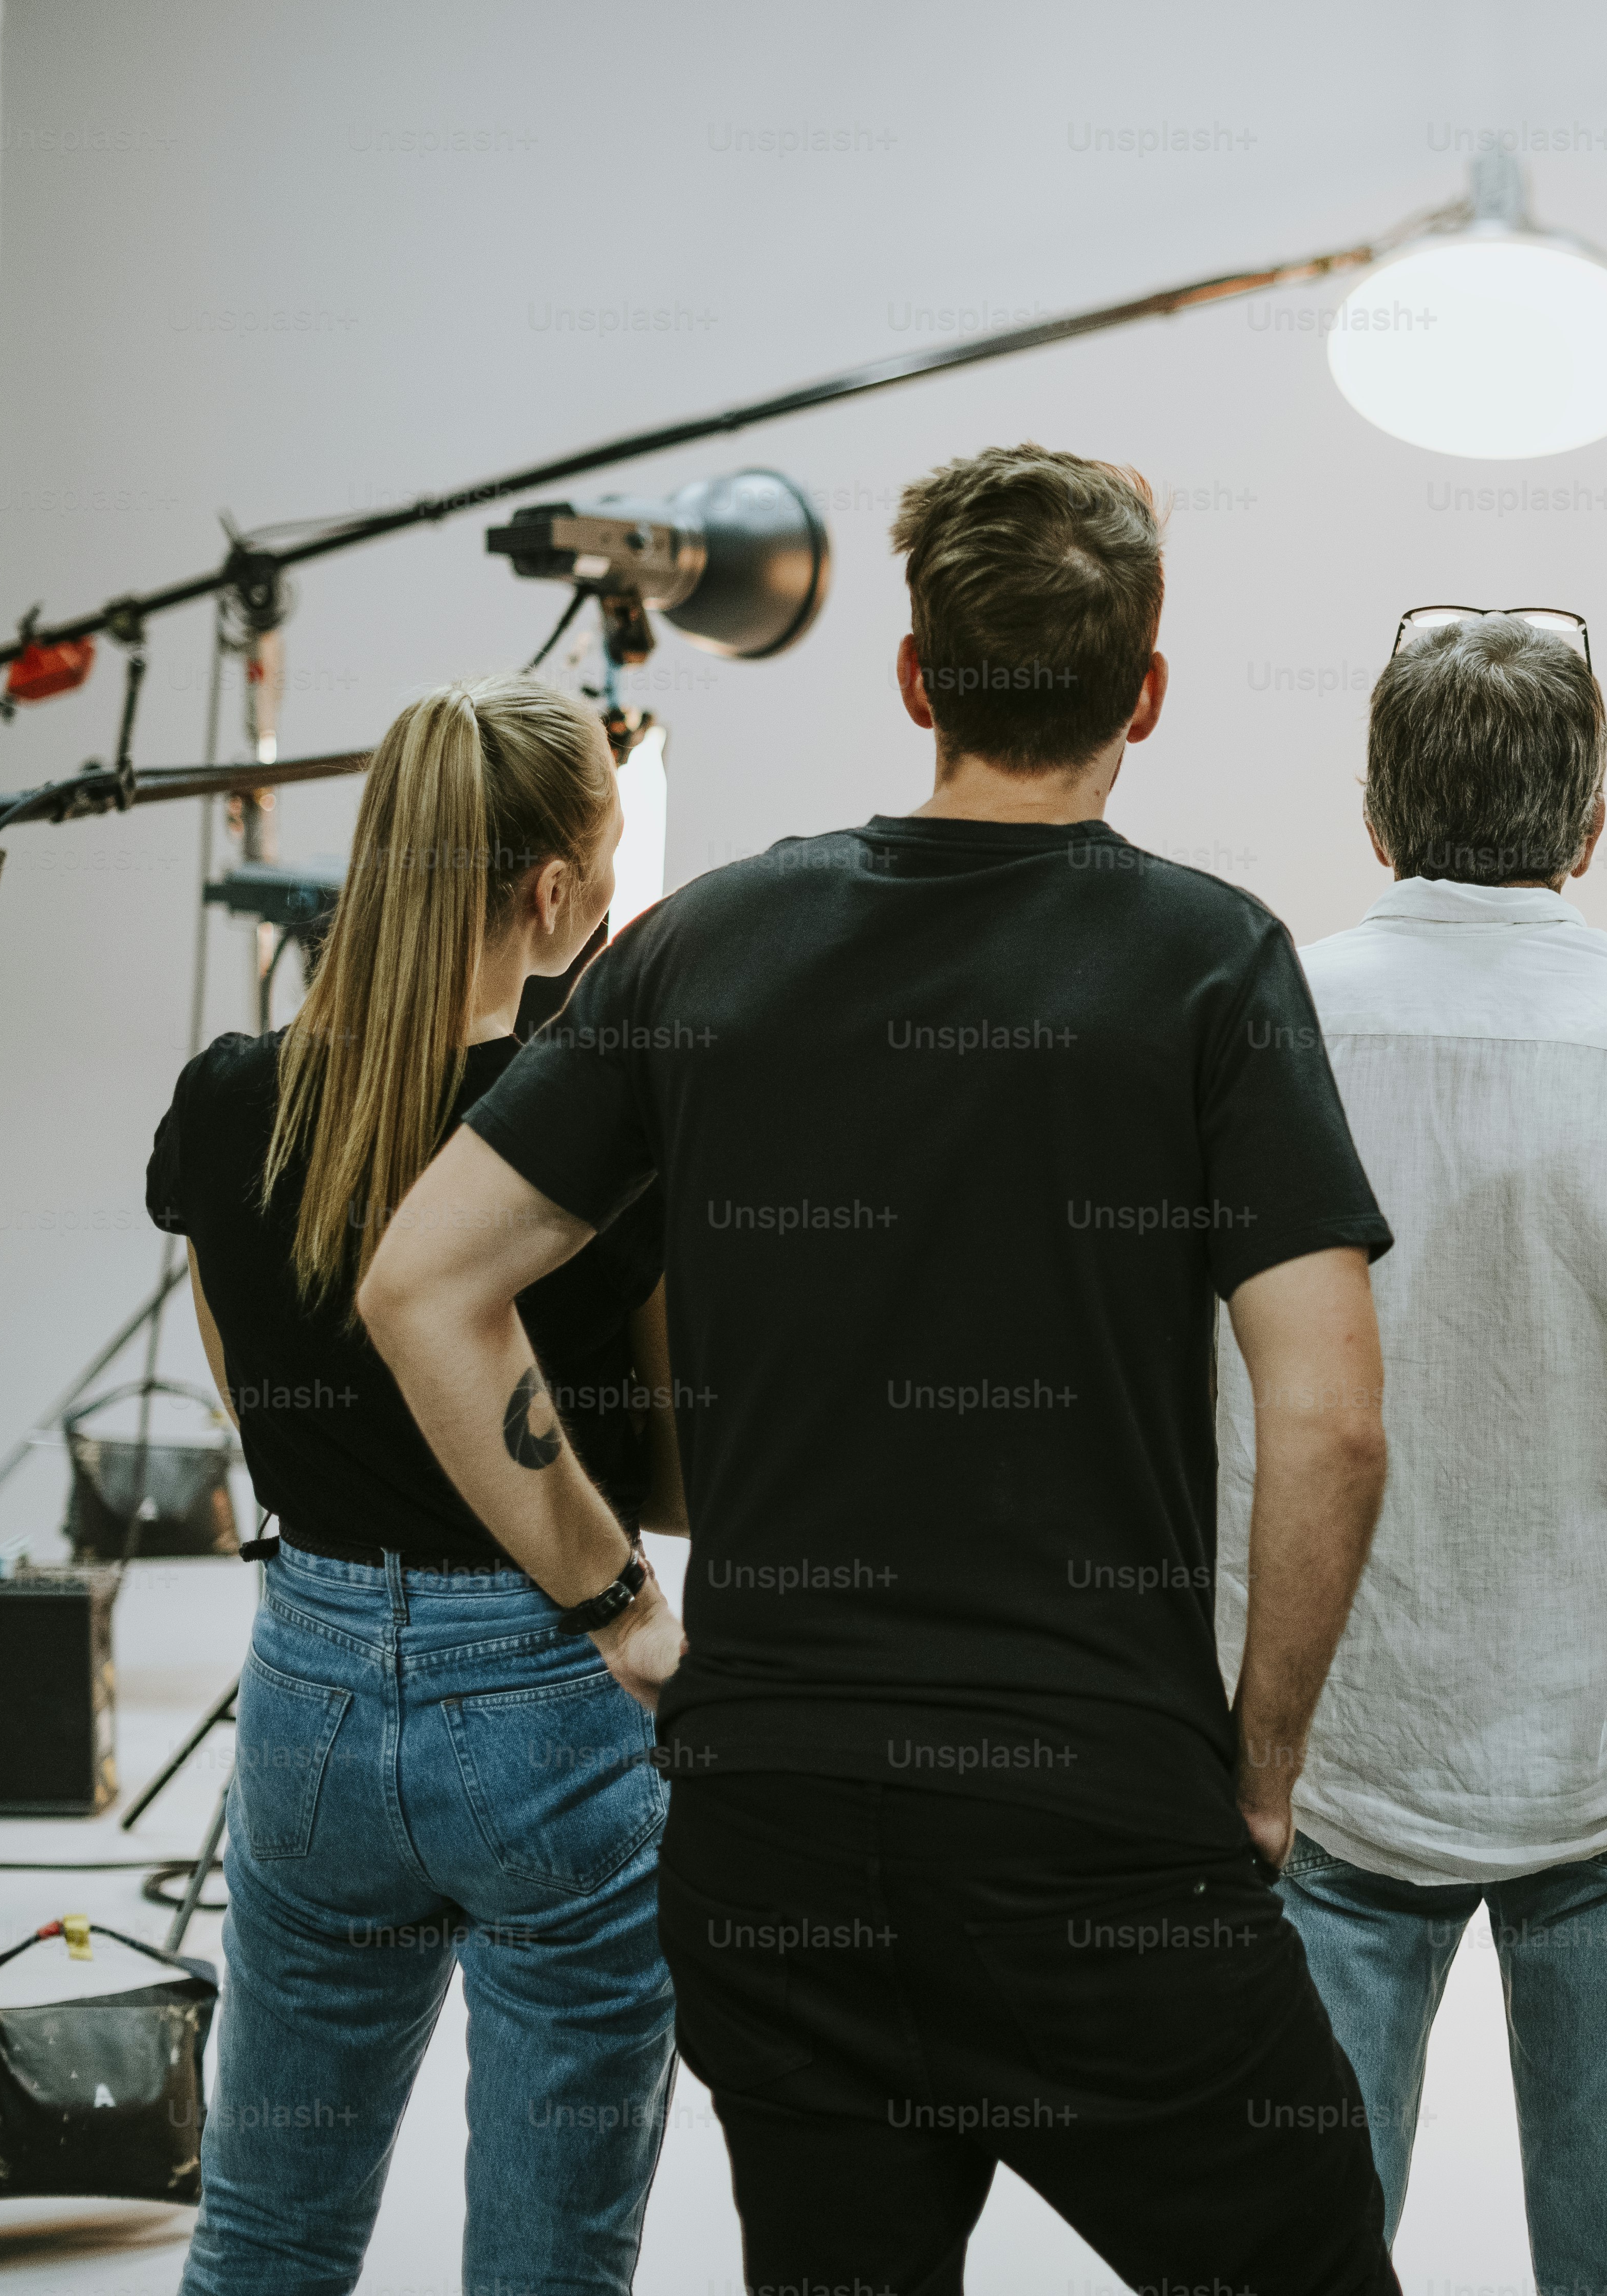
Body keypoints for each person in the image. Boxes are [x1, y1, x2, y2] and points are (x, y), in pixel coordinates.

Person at [355, 444, 1404, 2294]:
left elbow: (423, 1286)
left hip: (774, 1839)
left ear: (914, 677)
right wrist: (1263, 1766)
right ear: (1144, 691)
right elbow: (1330, 1420)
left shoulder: (706, 941)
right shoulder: (1211, 962)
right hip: (1095, 1826)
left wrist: (620, 1607)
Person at [1220, 609, 1607, 2291]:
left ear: (1375, 810)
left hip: (1318, 1740)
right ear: (1591, 820)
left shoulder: (1254, 1017)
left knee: (1295, 2253)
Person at [148, 674, 680, 2296]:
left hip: (307, 1683)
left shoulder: (237, 1094)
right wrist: (632, 1610)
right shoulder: (593, 1130)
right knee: (545, 2264)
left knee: (268, 2229)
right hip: (547, 1689)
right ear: (556, 893)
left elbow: (247, 1380)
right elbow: (663, 1446)